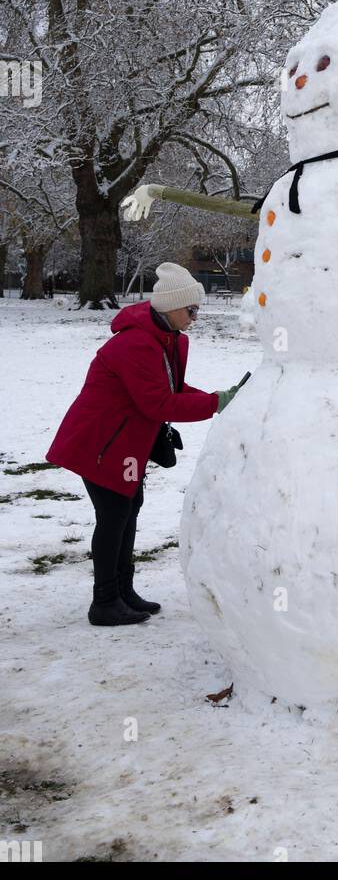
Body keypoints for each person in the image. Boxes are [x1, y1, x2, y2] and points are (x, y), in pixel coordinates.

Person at [46, 263, 244, 627]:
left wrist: (221, 397)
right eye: (192, 310)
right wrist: (216, 403)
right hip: (101, 443)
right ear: (170, 306)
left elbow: (173, 390)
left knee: (128, 510)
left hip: (125, 443)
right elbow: (157, 403)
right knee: (114, 517)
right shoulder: (135, 343)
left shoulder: (167, 338)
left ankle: (123, 590)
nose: (196, 317)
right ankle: (105, 601)